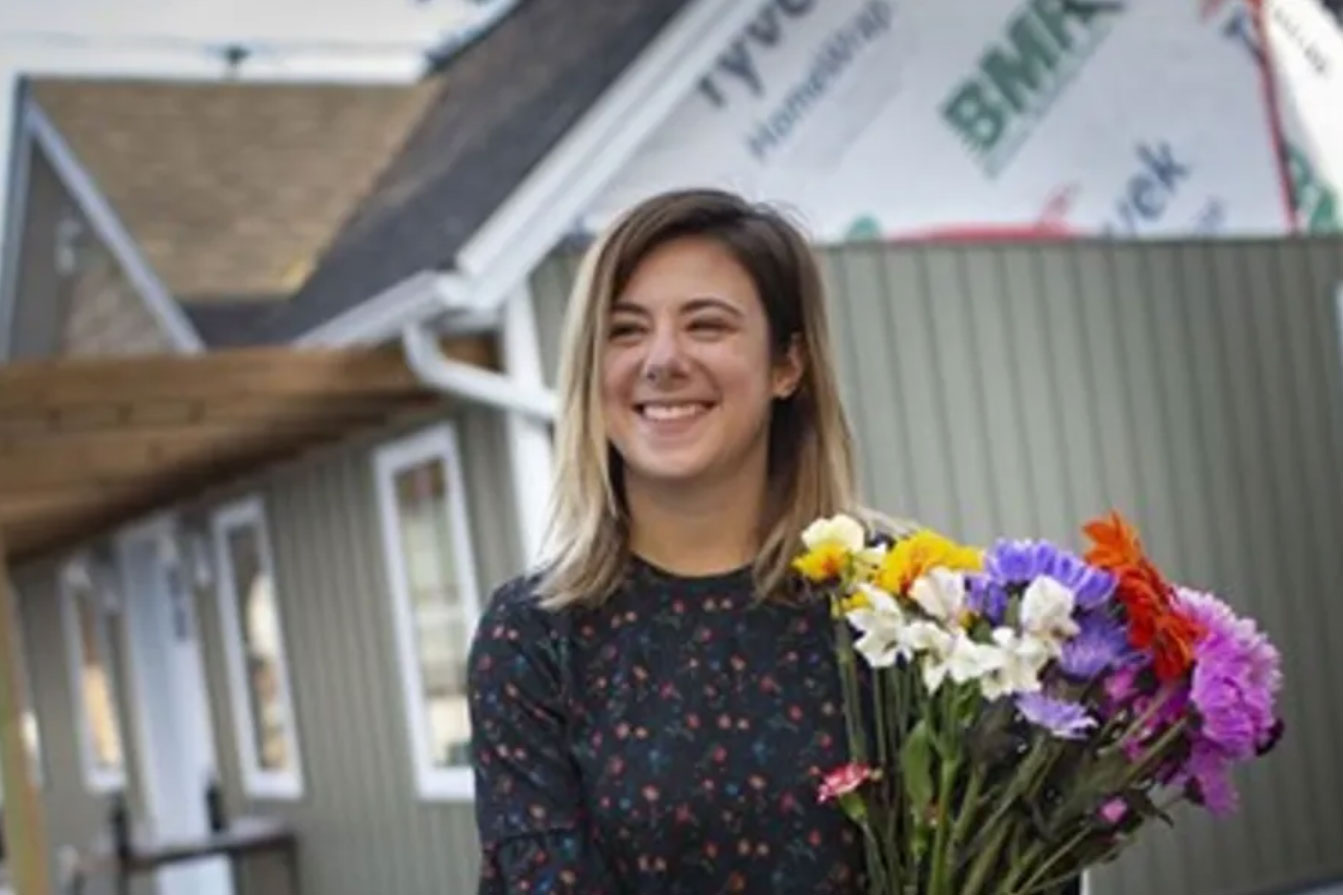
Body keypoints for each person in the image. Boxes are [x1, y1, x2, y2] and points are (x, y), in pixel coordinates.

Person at [465, 189, 1080, 894]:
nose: (661, 359)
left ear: (788, 365)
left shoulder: (912, 603)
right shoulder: (535, 637)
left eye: (706, 325)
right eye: (625, 330)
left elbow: (1019, 863)